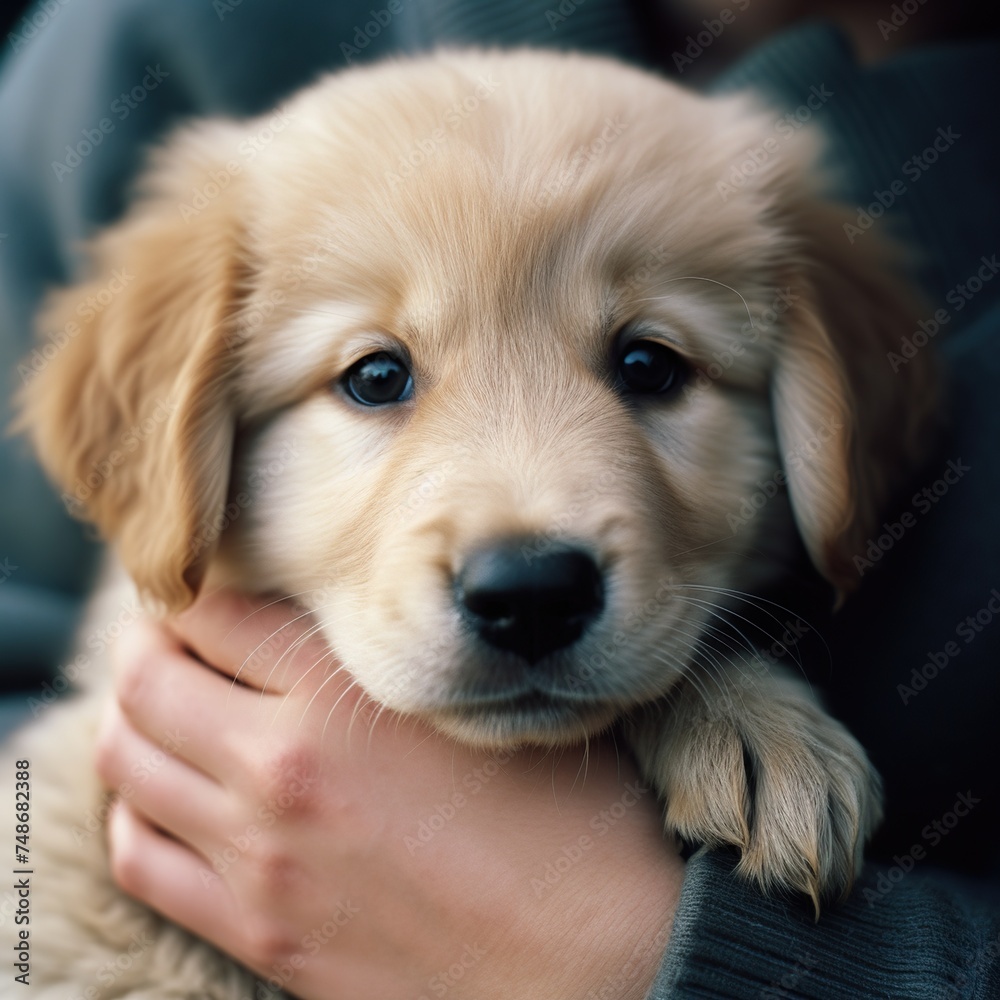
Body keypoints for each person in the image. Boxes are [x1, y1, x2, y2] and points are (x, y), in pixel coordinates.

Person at [1, 1, 998, 996]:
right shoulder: (146, 38)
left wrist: (672, 950)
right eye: (374, 377)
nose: (527, 544)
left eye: (650, 365)